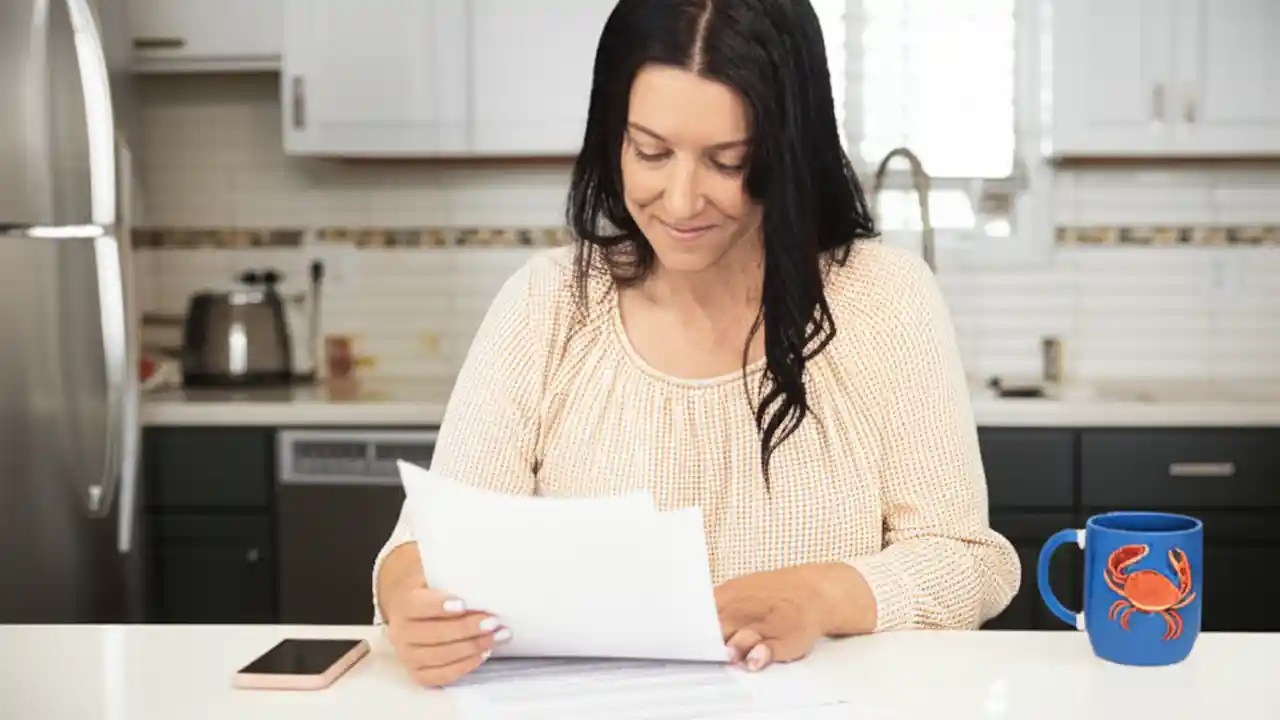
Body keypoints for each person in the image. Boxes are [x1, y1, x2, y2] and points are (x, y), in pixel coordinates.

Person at [372, 0, 1020, 688]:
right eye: (650, 152)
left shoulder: (884, 301)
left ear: (788, 151)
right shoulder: (550, 303)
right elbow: (423, 547)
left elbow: (969, 561)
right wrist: (411, 600)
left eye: (728, 162)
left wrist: (821, 596)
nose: (680, 202)